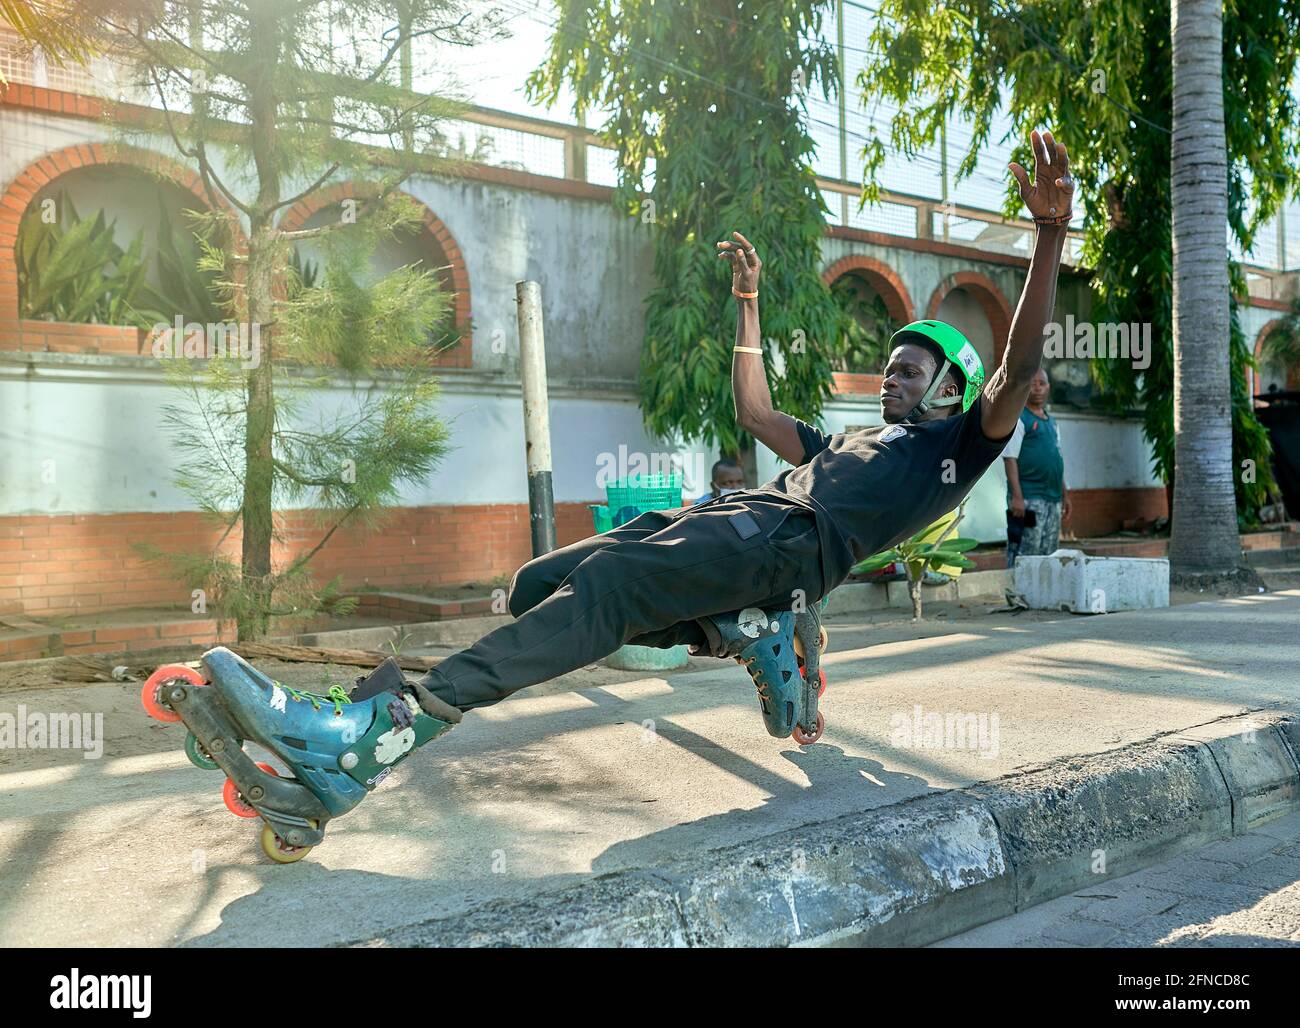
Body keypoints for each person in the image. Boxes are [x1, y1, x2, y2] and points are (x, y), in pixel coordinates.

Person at [291, 132, 1069, 745]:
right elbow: (760, 418)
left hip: (788, 542)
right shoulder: (852, 441)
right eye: (889, 370)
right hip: (738, 518)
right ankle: (745, 630)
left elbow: (1020, 361)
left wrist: (1048, 232)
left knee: (614, 589)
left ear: (950, 389)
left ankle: (396, 719)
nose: (889, 380)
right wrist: (749, 305)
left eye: (906, 372)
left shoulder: (959, 447)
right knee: (539, 584)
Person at [1002, 367, 1071, 566]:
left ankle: (1042, 596)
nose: (1038, 388)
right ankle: (1017, 595)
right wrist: (1017, 497)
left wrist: (1065, 494)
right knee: (1025, 553)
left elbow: (1057, 458)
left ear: (1048, 387)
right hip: (1028, 499)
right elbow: (1010, 458)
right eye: (1033, 384)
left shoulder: (1052, 422)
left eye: (1042, 384)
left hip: (1053, 499)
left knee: (1049, 554)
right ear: (1025, 388)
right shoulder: (1019, 418)